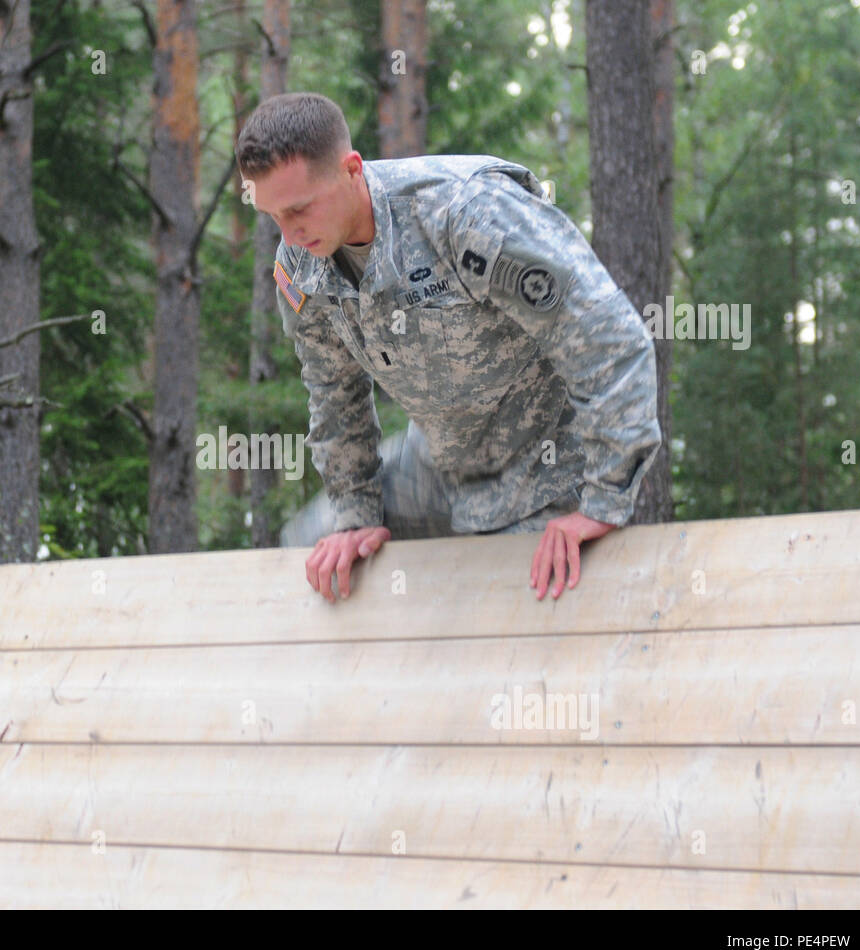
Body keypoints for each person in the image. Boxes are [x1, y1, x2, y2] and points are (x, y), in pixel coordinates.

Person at [234, 92, 662, 603]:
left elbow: (606, 335)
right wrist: (355, 513)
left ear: (352, 170)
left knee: (513, 626)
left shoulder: (465, 212)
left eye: (300, 208)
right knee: (311, 556)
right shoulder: (300, 264)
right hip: (437, 468)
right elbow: (333, 391)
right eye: (272, 215)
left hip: (546, 471)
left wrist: (605, 500)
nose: (289, 233)